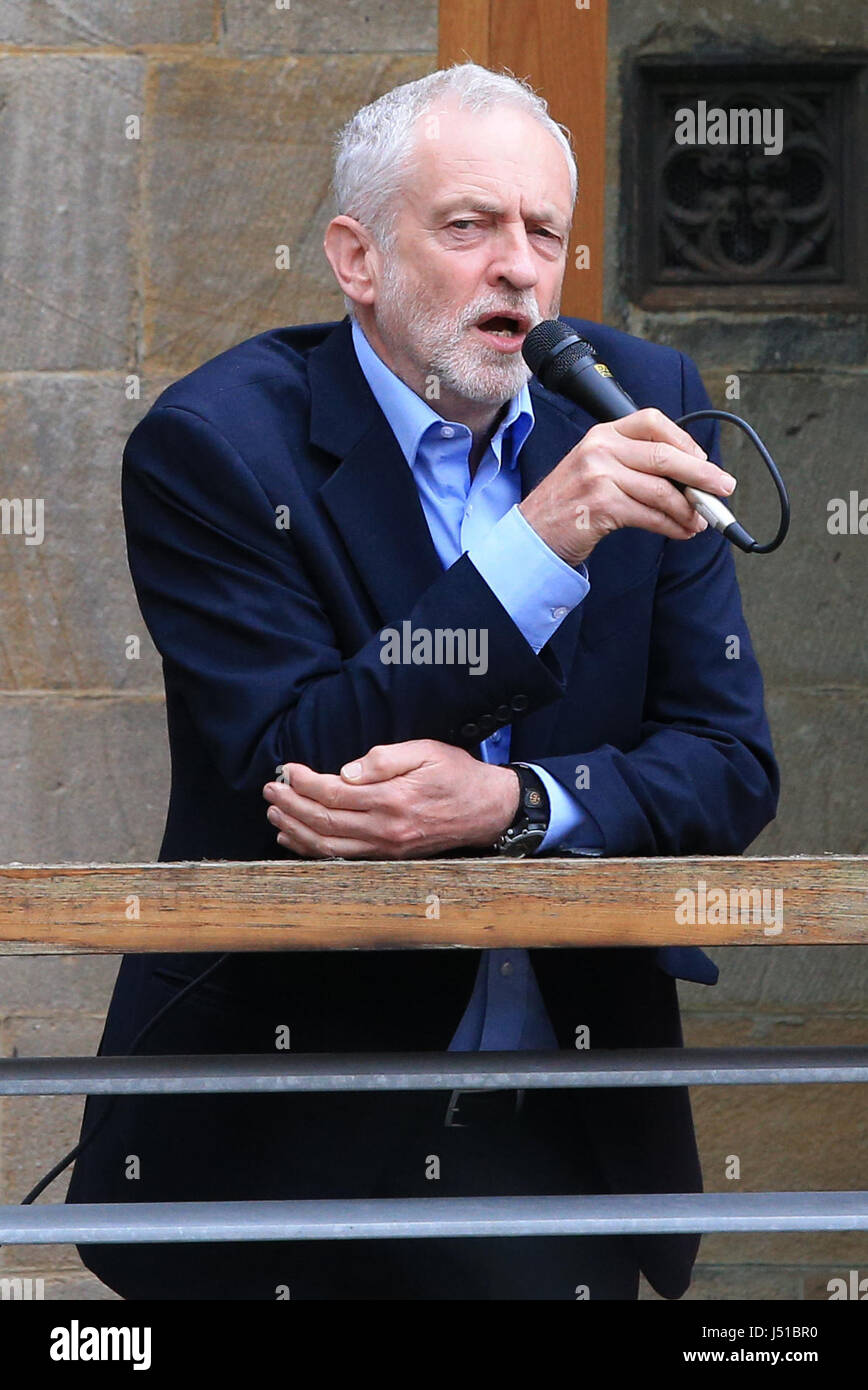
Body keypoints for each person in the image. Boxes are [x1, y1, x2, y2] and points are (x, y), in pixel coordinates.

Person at [65, 62, 779, 1300]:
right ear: (357, 257)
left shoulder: (642, 404)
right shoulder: (219, 444)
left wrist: (518, 810)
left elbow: (728, 762)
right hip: (288, 1114)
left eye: (543, 232)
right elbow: (301, 762)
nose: (517, 265)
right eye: (469, 225)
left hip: (570, 1113)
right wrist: (540, 542)